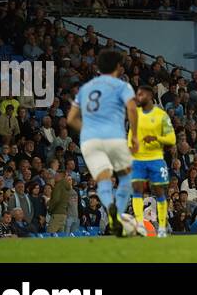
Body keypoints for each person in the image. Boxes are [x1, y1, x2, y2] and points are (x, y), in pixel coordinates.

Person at [67, 48, 143, 237]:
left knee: (103, 179)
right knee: (126, 177)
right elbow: (132, 110)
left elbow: (71, 119)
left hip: (90, 141)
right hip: (113, 137)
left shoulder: (86, 88)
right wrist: (134, 135)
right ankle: (116, 213)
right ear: (118, 67)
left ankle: (110, 210)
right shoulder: (122, 86)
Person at [129, 84, 177, 236]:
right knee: (137, 189)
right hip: (138, 159)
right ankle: (139, 224)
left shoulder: (161, 115)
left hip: (156, 158)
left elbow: (171, 138)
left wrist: (156, 137)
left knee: (159, 191)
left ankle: (162, 226)